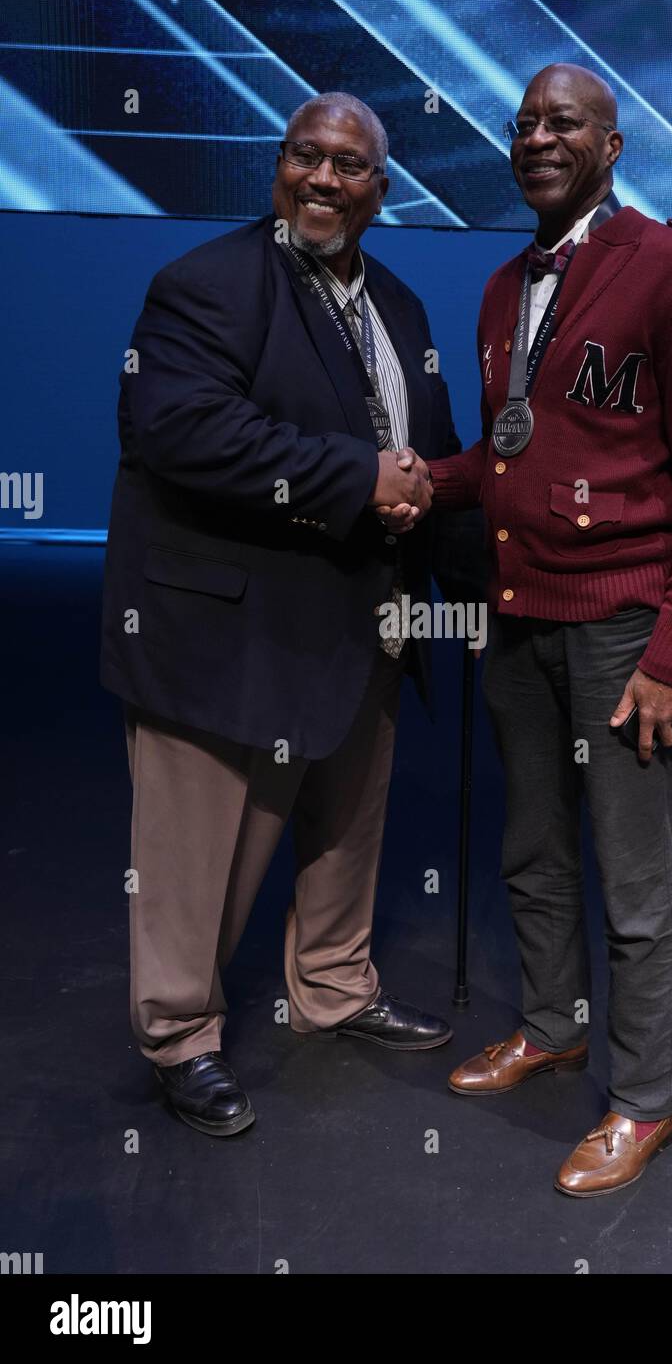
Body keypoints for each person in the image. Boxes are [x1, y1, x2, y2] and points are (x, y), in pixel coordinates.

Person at [100, 92, 480, 1137]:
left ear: (379, 190)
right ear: (277, 167)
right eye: (304, 155)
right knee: (194, 855)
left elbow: (432, 457)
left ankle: (333, 985)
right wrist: (363, 478)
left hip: (363, 620)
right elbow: (183, 432)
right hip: (224, 633)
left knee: (348, 824)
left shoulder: (399, 305)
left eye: (347, 165)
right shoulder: (207, 283)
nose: (322, 177)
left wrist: (481, 555)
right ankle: (181, 1034)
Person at [423, 64, 672, 1195]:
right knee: (533, 851)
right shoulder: (502, 287)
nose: (537, 138)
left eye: (563, 123)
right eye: (523, 124)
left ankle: (646, 1102)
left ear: (612, 147)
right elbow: (509, 451)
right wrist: (420, 482)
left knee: (633, 879)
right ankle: (553, 1025)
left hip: (622, 628)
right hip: (519, 617)